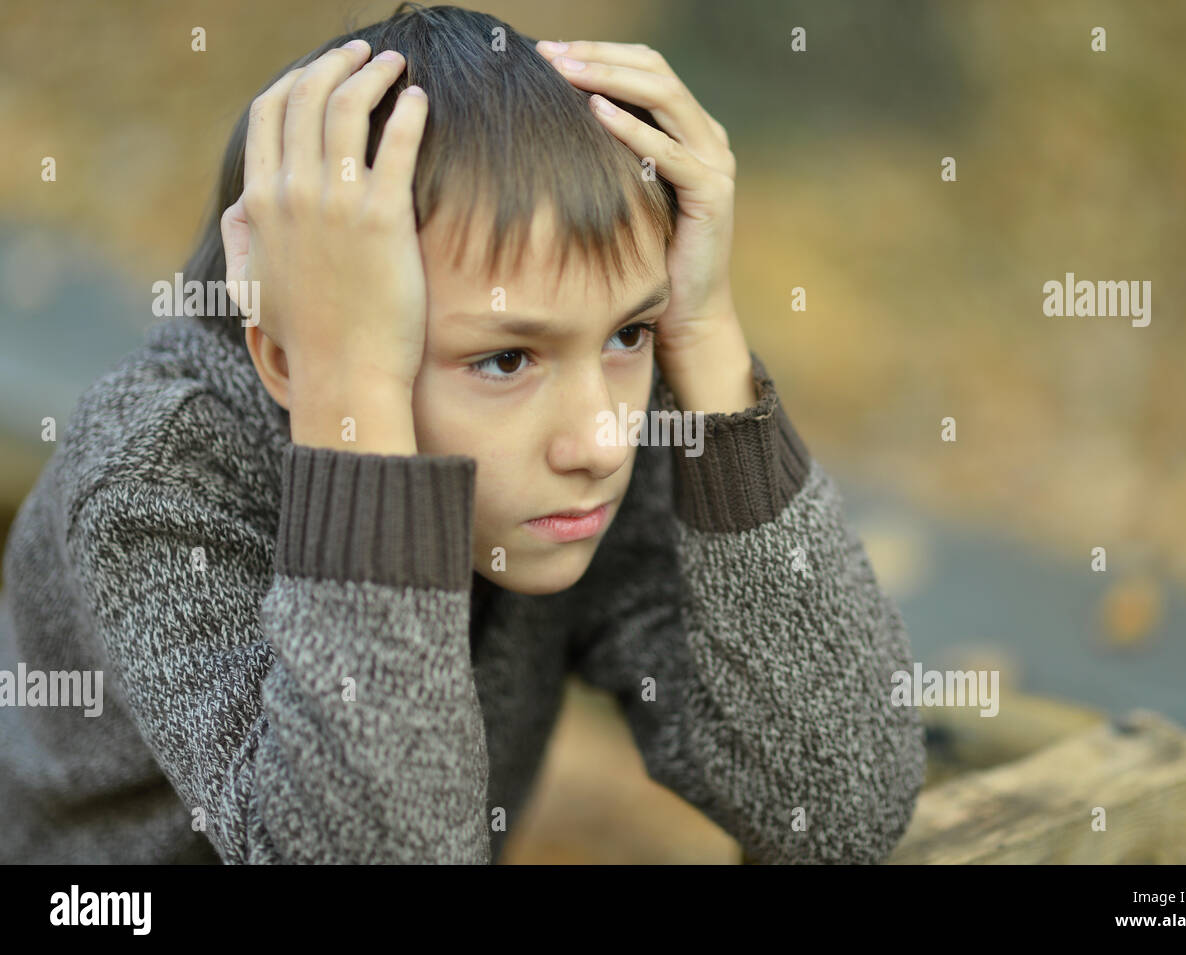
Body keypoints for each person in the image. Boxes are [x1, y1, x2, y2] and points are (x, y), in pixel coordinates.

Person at [0, 2, 925, 864]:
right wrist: (352, 393)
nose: (600, 441)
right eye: (505, 360)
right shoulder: (159, 470)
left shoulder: (601, 451)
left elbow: (840, 806)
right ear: (286, 356)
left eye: (628, 333)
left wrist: (708, 335)